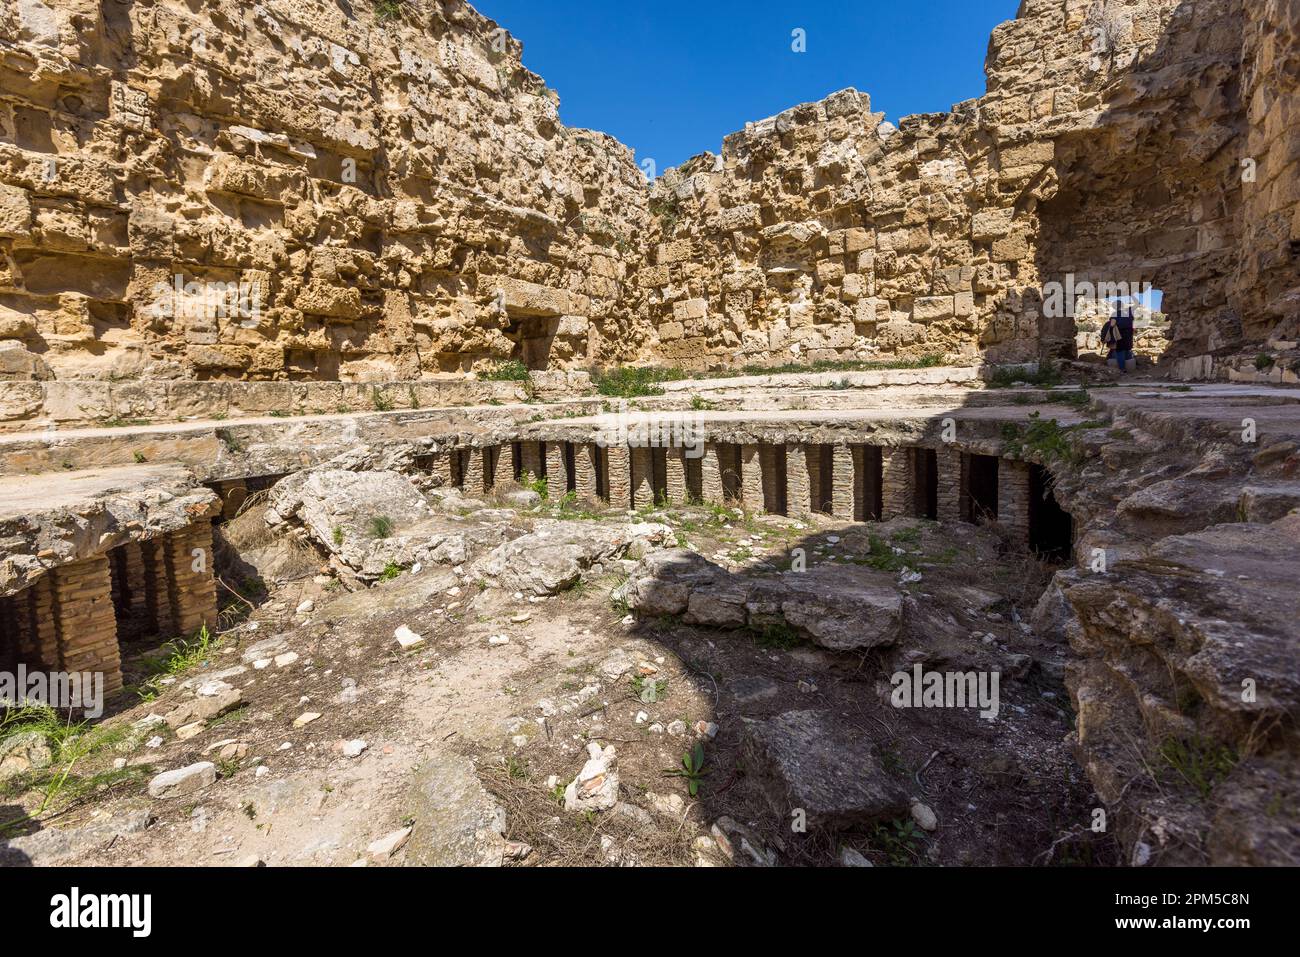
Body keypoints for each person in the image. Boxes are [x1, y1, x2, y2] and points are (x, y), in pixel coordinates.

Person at [1101, 303, 1136, 372]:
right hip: (1129, 336)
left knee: (1120, 352)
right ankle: (1131, 368)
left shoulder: (1115, 314)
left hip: (1120, 335)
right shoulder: (1128, 313)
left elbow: (1112, 324)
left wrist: (1108, 330)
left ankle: (1122, 369)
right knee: (1127, 350)